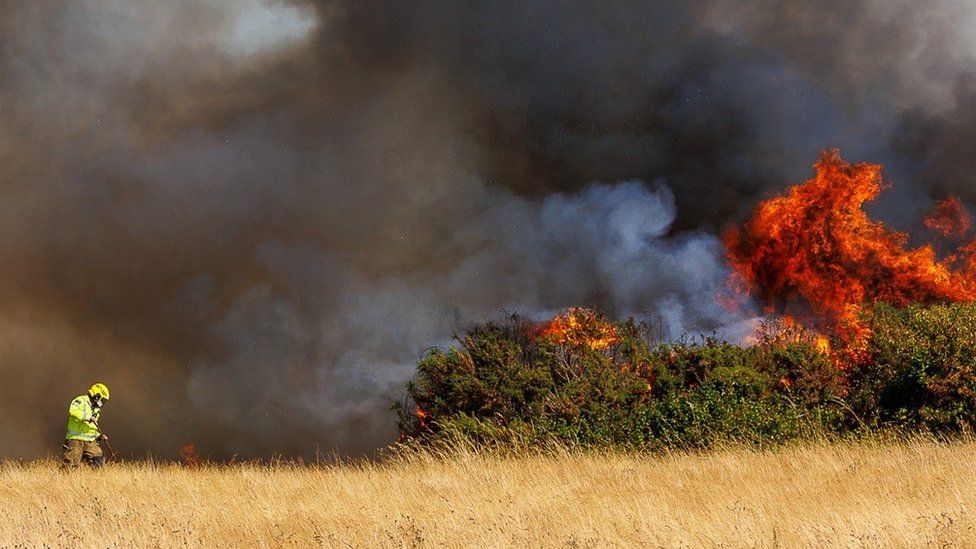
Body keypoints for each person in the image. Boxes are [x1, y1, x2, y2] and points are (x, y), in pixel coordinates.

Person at [62, 383, 110, 468]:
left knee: (98, 462)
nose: (102, 403)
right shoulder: (80, 401)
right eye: (102, 400)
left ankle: (96, 480)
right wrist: (88, 417)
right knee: (70, 466)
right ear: (96, 396)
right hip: (75, 440)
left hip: (90, 441)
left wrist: (99, 436)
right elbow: (73, 411)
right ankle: (62, 480)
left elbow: (91, 427)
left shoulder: (97, 410)